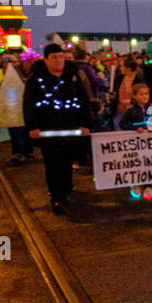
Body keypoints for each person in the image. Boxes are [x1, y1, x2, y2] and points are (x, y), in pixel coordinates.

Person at [23, 43, 92, 214]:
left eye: (61, 56)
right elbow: (28, 104)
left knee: (67, 161)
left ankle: (66, 190)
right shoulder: (36, 80)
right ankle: (56, 196)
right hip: (48, 129)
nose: (59, 60)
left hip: (70, 128)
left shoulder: (72, 77)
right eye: (54, 57)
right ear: (46, 60)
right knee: (52, 163)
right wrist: (32, 127)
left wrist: (85, 124)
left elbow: (84, 101)